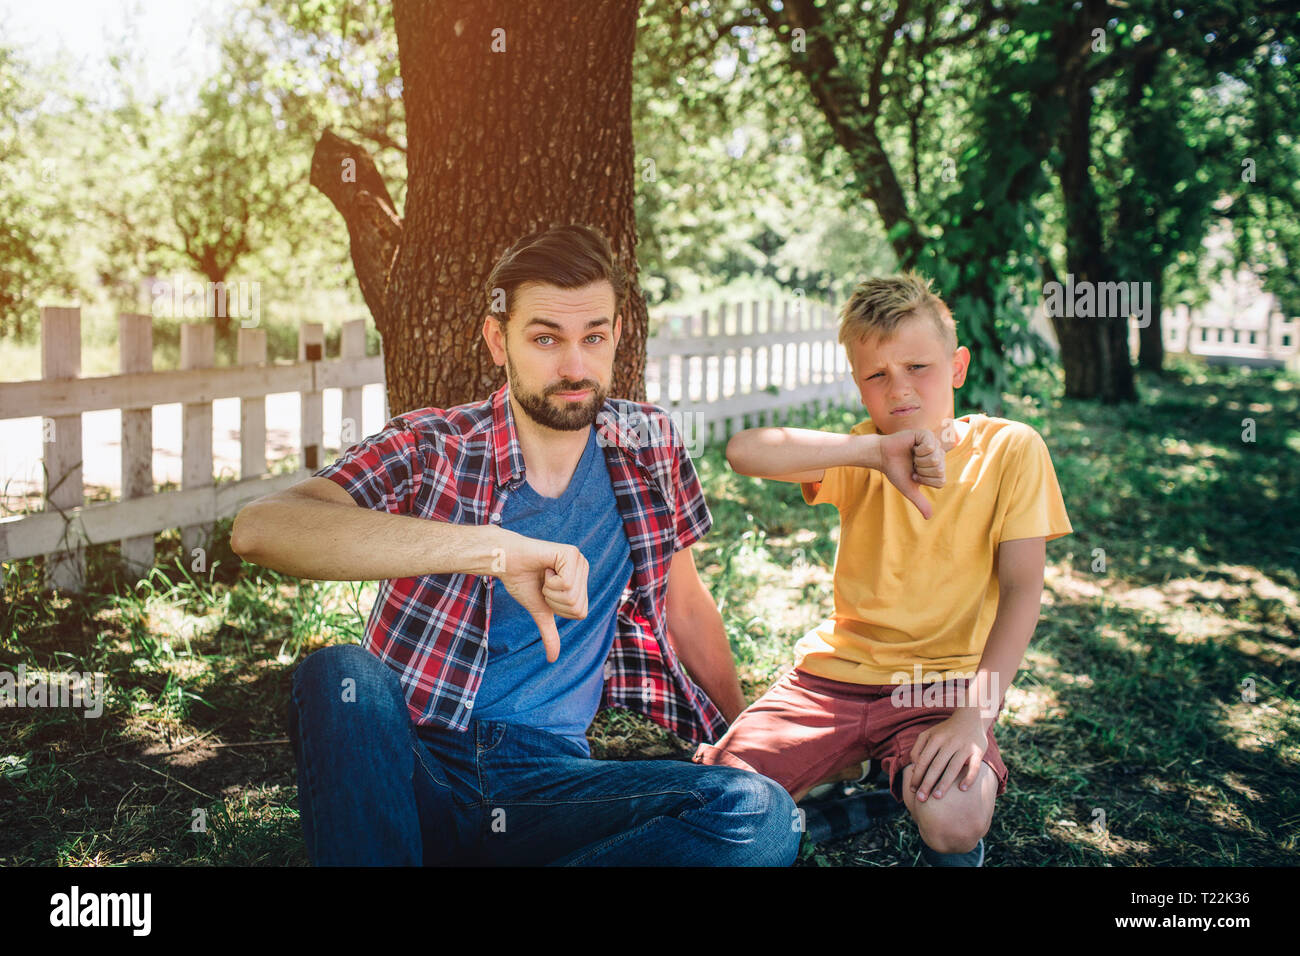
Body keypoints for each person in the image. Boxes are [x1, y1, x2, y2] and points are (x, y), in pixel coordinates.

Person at [231, 224, 799, 866]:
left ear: (618, 335)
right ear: (498, 340)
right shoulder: (433, 446)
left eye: (594, 337)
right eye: (546, 338)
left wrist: (738, 732)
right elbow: (261, 528)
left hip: (548, 785)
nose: (575, 367)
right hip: (416, 762)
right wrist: (492, 550)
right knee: (340, 676)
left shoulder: (649, 446)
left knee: (760, 814)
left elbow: (684, 603)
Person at [692, 271, 1073, 866]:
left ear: (958, 367)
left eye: (917, 367)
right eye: (877, 375)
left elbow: (1024, 592)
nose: (898, 388)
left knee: (956, 820)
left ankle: (865, 776)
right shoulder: (859, 449)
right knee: (712, 796)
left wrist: (974, 717)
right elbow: (744, 451)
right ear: (859, 386)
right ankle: (851, 772)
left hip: (940, 688)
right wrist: (871, 452)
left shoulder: (1010, 449)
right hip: (832, 682)